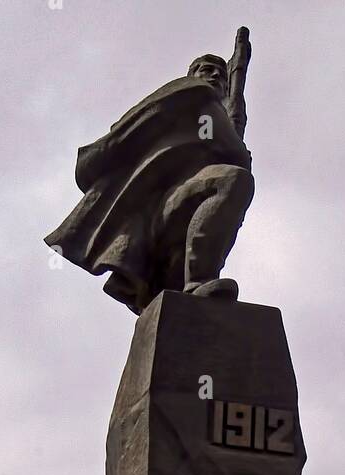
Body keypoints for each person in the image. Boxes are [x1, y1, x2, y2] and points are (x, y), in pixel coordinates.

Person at [45, 44, 254, 313]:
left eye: (221, 75)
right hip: (160, 210)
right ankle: (199, 280)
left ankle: (190, 283)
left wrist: (236, 91)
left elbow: (228, 140)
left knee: (231, 181)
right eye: (207, 70)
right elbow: (232, 148)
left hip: (187, 206)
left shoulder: (210, 113)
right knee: (232, 180)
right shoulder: (193, 94)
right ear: (193, 74)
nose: (214, 76)